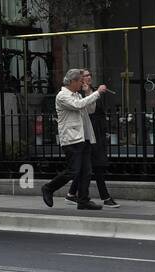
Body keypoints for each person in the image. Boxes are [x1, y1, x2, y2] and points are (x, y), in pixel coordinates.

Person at [41, 68, 107, 210]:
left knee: (86, 171)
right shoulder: (62, 96)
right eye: (80, 81)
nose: (81, 84)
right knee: (73, 171)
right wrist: (97, 93)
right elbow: (78, 105)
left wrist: (89, 92)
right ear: (72, 81)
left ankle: (83, 200)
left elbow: (90, 110)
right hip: (71, 139)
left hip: (83, 137)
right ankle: (48, 188)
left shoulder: (76, 94)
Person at [70, 70, 118, 207]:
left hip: (99, 131)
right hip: (90, 131)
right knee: (97, 164)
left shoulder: (95, 90)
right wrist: (89, 93)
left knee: (91, 165)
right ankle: (105, 196)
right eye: (85, 75)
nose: (88, 77)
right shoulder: (79, 94)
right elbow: (89, 109)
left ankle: (71, 193)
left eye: (89, 74)